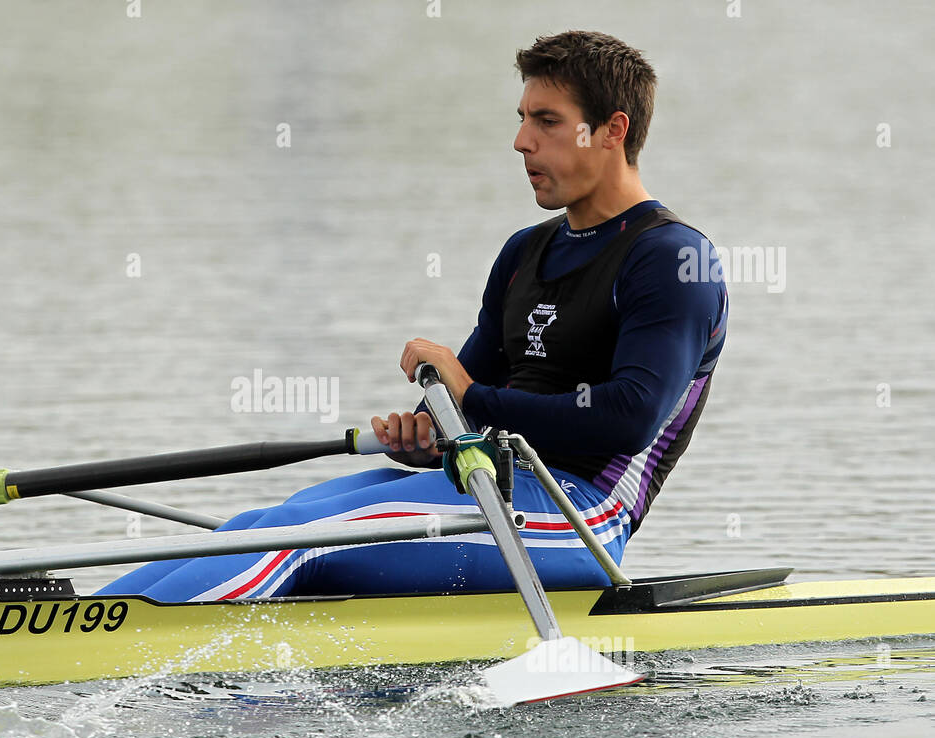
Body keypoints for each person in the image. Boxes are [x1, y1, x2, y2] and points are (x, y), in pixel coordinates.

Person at [97, 30, 727, 602]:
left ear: (612, 131)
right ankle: (76, 619)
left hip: (580, 516)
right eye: (522, 119)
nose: (520, 141)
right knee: (259, 523)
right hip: (488, 490)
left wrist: (471, 399)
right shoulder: (524, 253)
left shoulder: (672, 259)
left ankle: (101, 651)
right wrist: (426, 434)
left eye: (547, 122)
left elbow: (629, 418)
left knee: (305, 535)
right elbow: (466, 404)